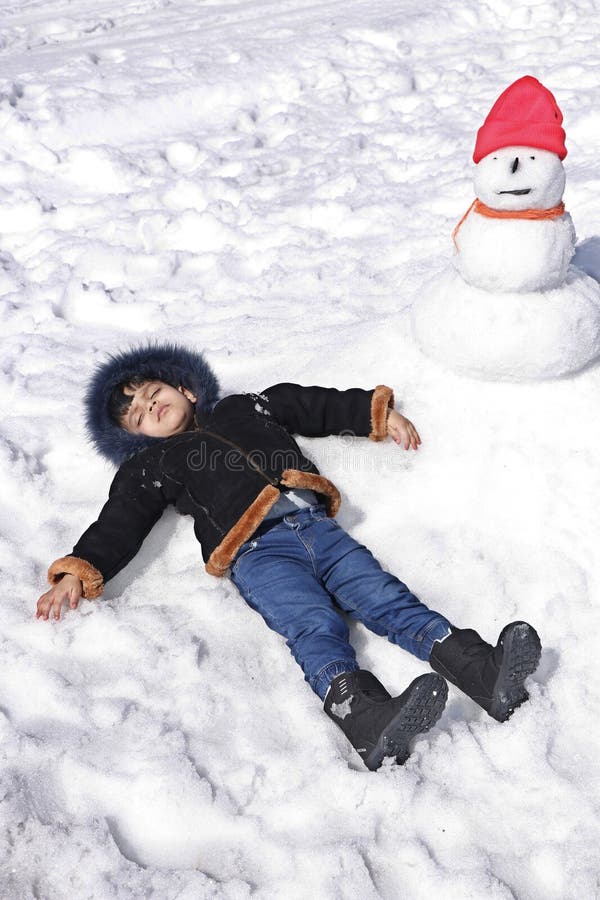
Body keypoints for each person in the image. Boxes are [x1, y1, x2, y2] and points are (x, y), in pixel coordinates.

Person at [36, 343, 542, 771]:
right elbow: (122, 518)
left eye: (154, 395)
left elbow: (310, 405)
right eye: (139, 415)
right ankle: (363, 717)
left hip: (319, 530)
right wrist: (80, 570)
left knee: (386, 598)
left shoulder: (245, 407)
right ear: (136, 436)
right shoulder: (154, 464)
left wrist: (377, 414)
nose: (151, 407)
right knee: (312, 623)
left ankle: (482, 672)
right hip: (256, 552)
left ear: (184, 390)